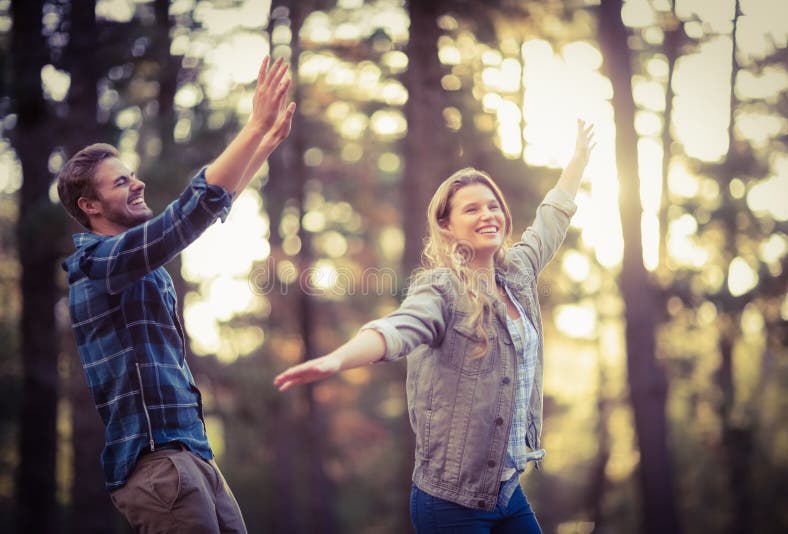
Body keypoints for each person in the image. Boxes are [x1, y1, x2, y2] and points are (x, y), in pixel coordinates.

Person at [275, 120, 595, 533]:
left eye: (493, 205)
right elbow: (400, 328)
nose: (488, 215)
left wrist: (578, 161)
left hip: (507, 493)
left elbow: (551, 218)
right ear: (447, 225)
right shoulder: (441, 288)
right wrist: (338, 360)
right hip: (451, 504)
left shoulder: (516, 272)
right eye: (472, 209)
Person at [58, 54, 295, 533]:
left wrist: (264, 145)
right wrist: (252, 129)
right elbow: (184, 218)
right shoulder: (98, 266)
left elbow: (204, 213)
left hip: (191, 454)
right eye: (121, 182)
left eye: (133, 174)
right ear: (90, 205)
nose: (138, 183)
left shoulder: (132, 263)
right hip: (156, 463)